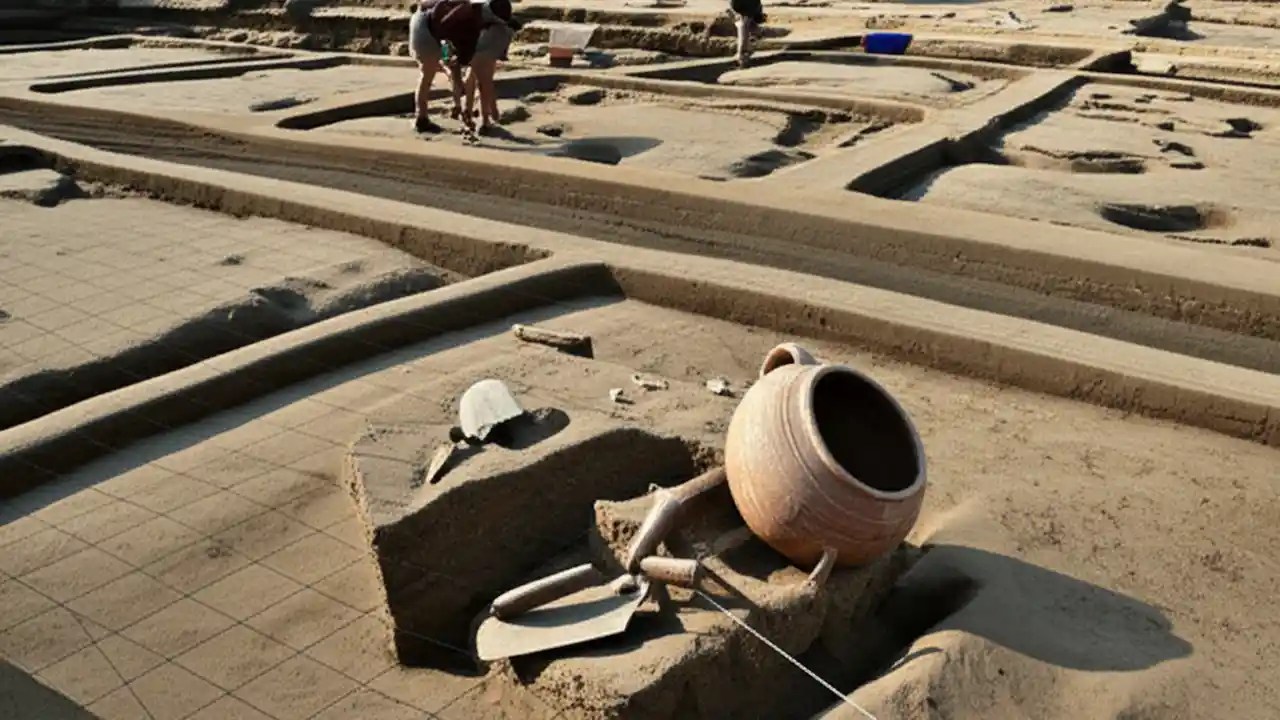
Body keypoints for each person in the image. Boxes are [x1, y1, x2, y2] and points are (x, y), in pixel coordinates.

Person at [408, 0, 514, 134]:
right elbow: (444, 31)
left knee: (452, 74)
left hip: (440, 32)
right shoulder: (466, 13)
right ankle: (421, 118)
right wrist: (448, 58)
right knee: (428, 72)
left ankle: (463, 111)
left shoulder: (481, 22)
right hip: (425, 28)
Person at [464, 12, 519, 135]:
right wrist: (494, 109)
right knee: (484, 85)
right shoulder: (505, 33)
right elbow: (488, 83)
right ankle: (485, 121)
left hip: (472, 49)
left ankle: (467, 111)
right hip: (484, 53)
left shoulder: (487, 22)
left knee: (472, 77)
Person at [729, 0, 766, 68]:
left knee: (744, 27)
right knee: (744, 27)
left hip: (747, 10)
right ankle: (743, 55)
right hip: (746, 10)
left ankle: (743, 55)